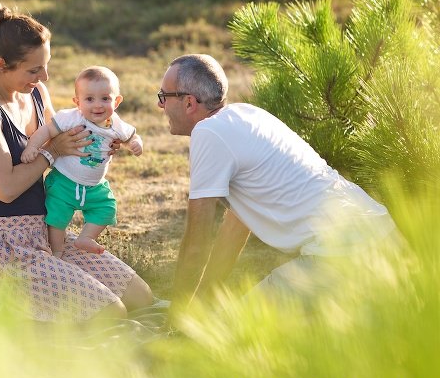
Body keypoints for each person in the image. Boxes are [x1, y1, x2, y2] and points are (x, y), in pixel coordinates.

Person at [0, 1, 153, 322]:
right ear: (1, 63)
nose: (44, 76)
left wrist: (103, 140)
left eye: (46, 65)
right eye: (34, 70)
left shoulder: (36, 92)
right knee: (111, 314)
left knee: (139, 297)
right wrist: (52, 152)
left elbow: (68, 138)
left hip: (46, 233)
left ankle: (20, 305)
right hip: (2, 244)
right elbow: (5, 189)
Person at [158, 54, 399, 308]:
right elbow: (235, 229)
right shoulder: (246, 114)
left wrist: (177, 319)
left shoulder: (208, 132)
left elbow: (196, 244)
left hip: (338, 255)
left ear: (188, 103)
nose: (160, 106)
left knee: (236, 336)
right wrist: (199, 305)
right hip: (383, 233)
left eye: (164, 96)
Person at [21, 65, 143, 258]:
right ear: (77, 102)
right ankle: (57, 250)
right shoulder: (72, 118)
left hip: (95, 186)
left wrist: (135, 144)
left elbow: (131, 136)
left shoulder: (116, 124)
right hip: (64, 181)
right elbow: (46, 131)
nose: (97, 105)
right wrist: (32, 147)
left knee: (107, 209)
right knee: (57, 217)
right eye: (89, 99)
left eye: (105, 98)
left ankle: (86, 237)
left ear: (117, 101)